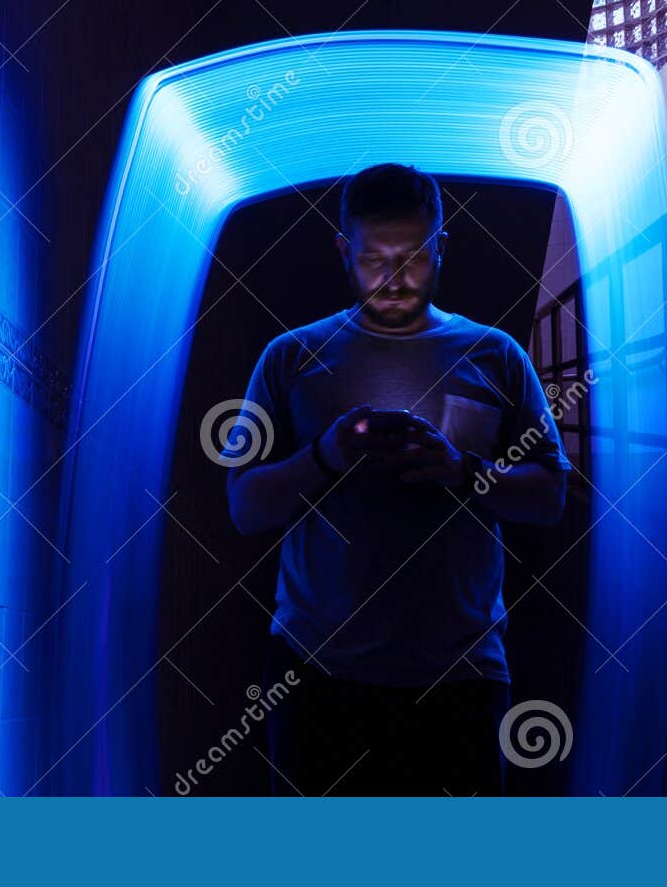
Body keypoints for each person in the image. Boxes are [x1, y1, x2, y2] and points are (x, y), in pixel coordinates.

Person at [224, 162, 571, 795]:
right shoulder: (290, 357)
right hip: (316, 675)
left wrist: (461, 470)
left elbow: (551, 496)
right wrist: (327, 455)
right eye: (374, 258)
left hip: (460, 676)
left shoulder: (495, 355)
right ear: (342, 251)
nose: (394, 278)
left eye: (412, 256)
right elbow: (244, 506)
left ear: (440, 245)